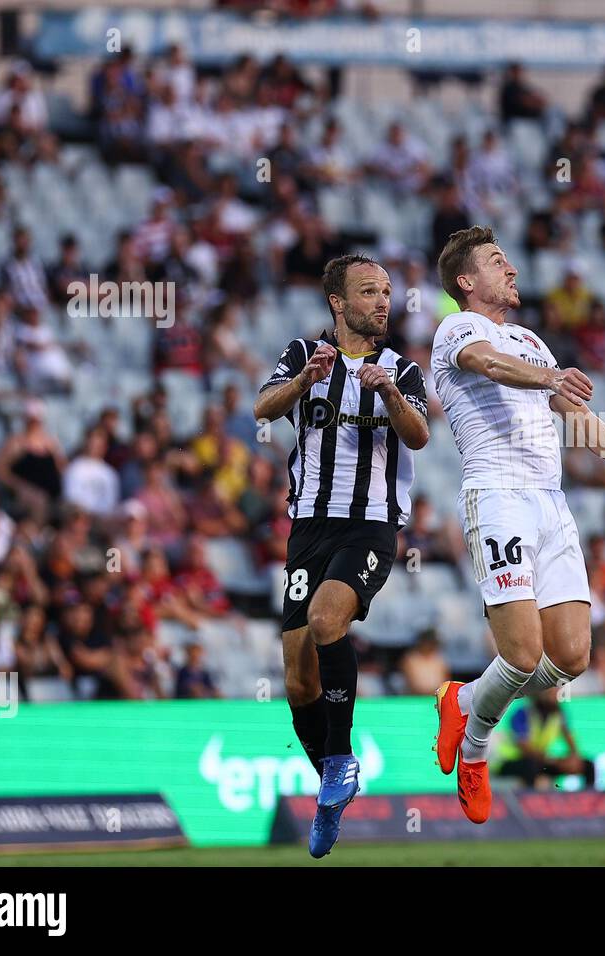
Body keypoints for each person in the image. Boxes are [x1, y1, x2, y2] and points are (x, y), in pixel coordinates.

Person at [429, 225, 605, 824]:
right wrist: (549, 377)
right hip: (500, 497)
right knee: (520, 652)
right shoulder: (458, 328)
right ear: (467, 280)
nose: (510, 269)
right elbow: (488, 364)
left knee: (570, 656)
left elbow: (571, 409)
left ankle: (462, 698)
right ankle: (478, 749)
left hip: (551, 504)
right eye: (496, 261)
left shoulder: (531, 340)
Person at [252, 253, 429, 859]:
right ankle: (332, 781)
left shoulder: (400, 370)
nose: (383, 301)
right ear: (338, 302)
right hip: (307, 531)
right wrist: (302, 384)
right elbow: (263, 409)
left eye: (386, 291)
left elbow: (419, 436)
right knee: (298, 680)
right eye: (369, 291)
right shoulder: (304, 355)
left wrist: (391, 396)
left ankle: (343, 758)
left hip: (369, 528)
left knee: (328, 620)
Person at [493, 689, 596, 789]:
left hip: (540, 760)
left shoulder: (558, 714)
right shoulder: (523, 713)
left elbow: (568, 737)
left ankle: (589, 802)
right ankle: (531, 801)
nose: (554, 695)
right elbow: (524, 747)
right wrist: (553, 761)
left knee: (587, 765)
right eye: (550, 691)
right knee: (530, 766)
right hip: (510, 761)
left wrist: (574, 758)